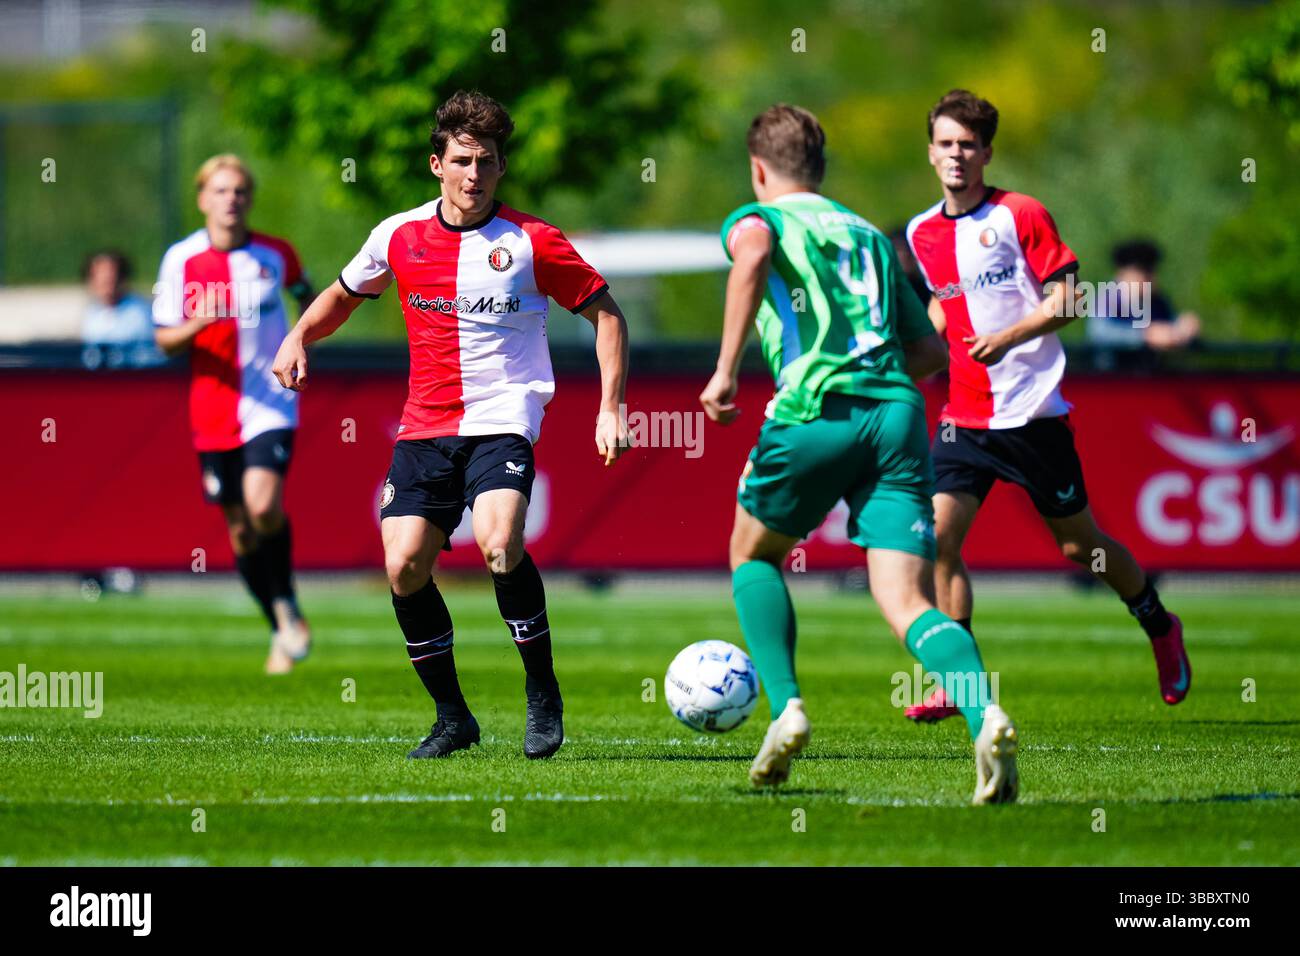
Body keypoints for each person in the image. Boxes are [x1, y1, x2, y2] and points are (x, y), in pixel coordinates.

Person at [271, 90, 630, 761]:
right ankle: (453, 718)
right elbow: (344, 295)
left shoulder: (532, 241)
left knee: (500, 544)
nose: (475, 173)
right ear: (436, 164)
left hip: (504, 415)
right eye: (462, 160)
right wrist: (298, 337)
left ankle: (542, 692)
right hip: (424, 426)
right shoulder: (398, 235)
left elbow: (606, 314)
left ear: (500, 168)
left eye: (487, 162)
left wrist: (611, 406)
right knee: (404, 565)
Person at [699, 104, 1018, 804]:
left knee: (752, 555)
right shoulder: (870, 236)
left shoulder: (761, 221)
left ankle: (786, 709)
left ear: (758, 169)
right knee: (905, 598)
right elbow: (932, 350)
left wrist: (725, 369)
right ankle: (983, 712)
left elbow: (751, 254)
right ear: (821, 169)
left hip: (817, 407)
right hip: (898, 412)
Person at [904, 90, 1191, 721]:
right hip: (963, 418)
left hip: (1031, 412)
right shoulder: (921, 233)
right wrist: (902, 366)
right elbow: (941, 315)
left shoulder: (1021, 214)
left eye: (969, 145)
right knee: (937, 541)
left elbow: (1069, 300)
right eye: (947, 143)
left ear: (987, 153)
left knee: (1078, 548)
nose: (957, 155)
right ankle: (963, 681)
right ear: (931, 152)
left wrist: (1004, 339)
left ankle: (1158, 623)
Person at [153, 154, 316, 675]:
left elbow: (308, 296)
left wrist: (303, 337)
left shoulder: (276, 254)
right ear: (203, 198)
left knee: (263, 505)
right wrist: (197, 322)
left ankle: (287, 601)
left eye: (240, 191)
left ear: (250, 199)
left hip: (272, 400)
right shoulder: (181, 260)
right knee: (241, 530)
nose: (231, 200)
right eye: (221, 191)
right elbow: (164, 340)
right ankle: (280, 621)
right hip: (213, 410)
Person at [1087, 238, 1201, 354]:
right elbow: (1100, 333)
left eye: (1151, 271)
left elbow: (1168, 327)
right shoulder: (1107, 299)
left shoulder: (1157, 302)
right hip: (1113, 370)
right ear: (1122, 273)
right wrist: (1145, 335)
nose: (1148, 278)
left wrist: (1183, 328)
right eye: (1142, 272)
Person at [81, 250, 164, 367]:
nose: (106, 284)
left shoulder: (140, 314)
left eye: (110, 278)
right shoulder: (92, 314)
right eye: (99, 278)